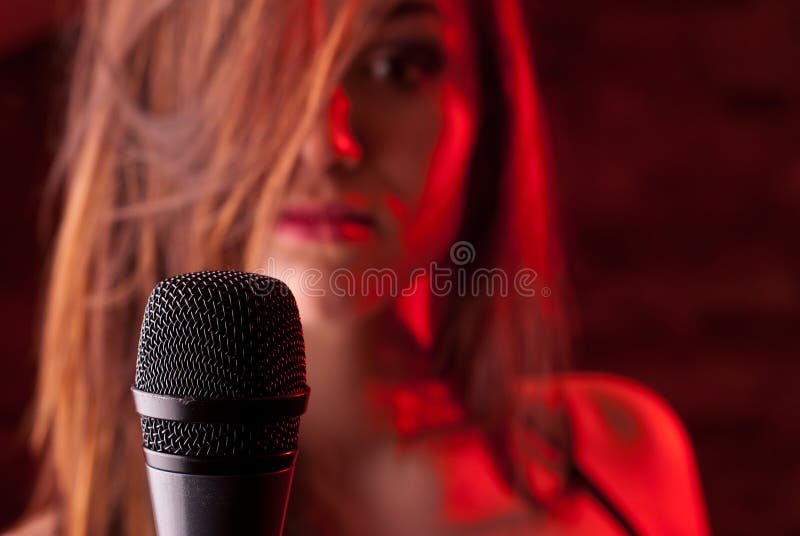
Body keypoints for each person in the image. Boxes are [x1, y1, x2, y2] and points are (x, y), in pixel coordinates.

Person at [10, 0, 709, 534]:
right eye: (265, 74)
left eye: (395, 68)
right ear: (163, 100)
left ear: (486, 106)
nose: (328, 142)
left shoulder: (619, 458)